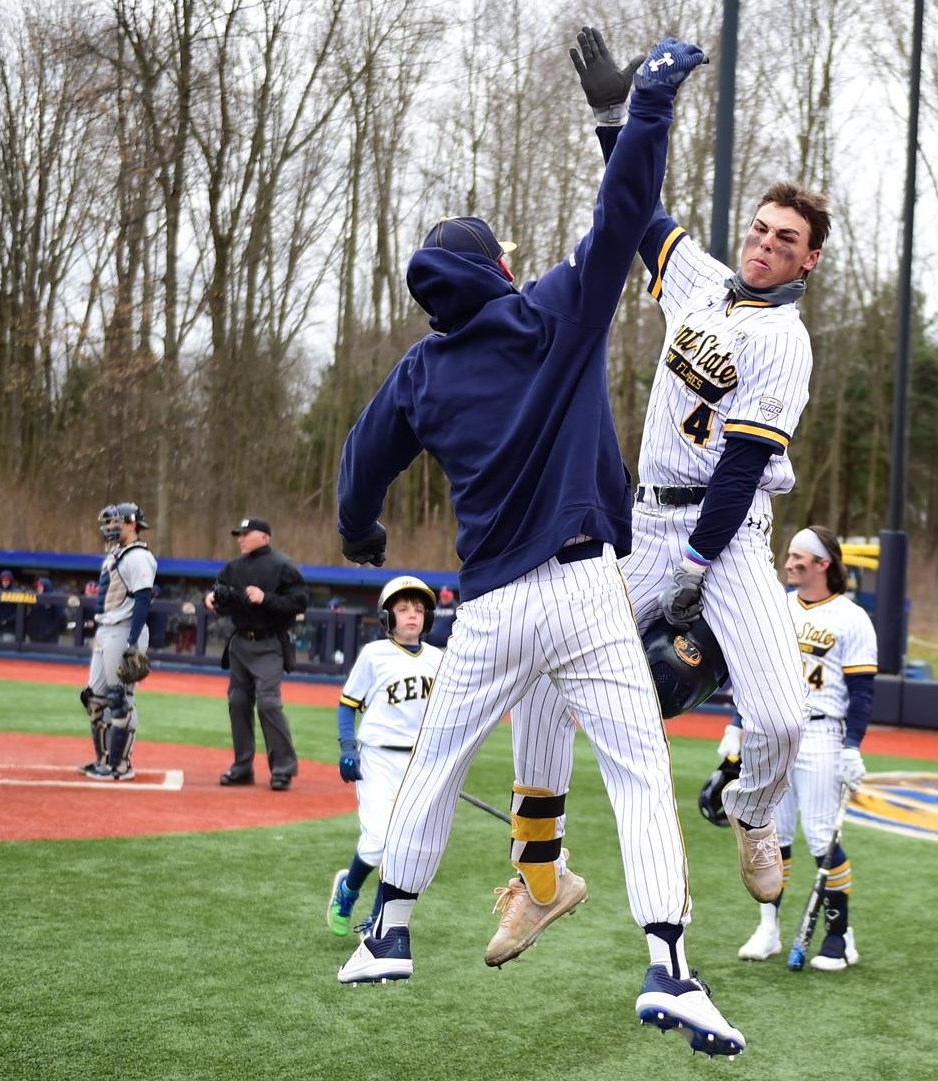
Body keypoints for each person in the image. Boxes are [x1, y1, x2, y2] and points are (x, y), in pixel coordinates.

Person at [332, 35, 742, 1056]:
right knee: (641, 772)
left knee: (433, 764)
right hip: (583, 586)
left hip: (490, 605)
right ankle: (669, 969)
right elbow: (622, 216)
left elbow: (359, 462)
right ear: (499, 269)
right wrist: (643, 108)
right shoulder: (551, 310)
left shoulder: (420, 371)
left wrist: (362, 530)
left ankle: (387, 933)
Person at [512, 26, 833, 914]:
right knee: (543, 662)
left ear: (809, 260)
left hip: (723, 539)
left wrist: (695, 566)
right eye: (762, 229)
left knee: (777, 718)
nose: (766, 243)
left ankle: (750, 811)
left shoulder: (783, 339)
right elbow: (638, 211)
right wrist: (615, 117)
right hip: (648, 522)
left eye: (786, 239)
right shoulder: (701, 282)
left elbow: (739, 470)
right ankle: (541, 867)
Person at [725, 526, 876, 972]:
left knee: (821, 834)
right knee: (774, 835)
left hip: (822, 733)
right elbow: (756, 674)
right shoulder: (777, 608)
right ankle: (768, 927)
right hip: (772, 731)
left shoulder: (852, 618)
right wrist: (737, 726)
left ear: (822, 564)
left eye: (797, 557)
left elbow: (862, 692)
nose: (787, 563)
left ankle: (839, 934)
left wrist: (852, 747)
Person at [325, 576, 443, 938]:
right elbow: (347, 707)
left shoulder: (440, 659)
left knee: (404, 846)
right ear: (387, 616)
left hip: (418, 763)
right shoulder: (374, 655)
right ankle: (348, 889)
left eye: (419, 610)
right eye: (403, 609)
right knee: (377, 841)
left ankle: (377, 918)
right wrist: (347, 748)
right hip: (377, 758)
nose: (412, 616)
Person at [206, 517, 309, 790]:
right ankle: (242, 767)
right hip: (240, 642)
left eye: (245, 534)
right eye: (238, 534)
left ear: (264, 536)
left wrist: (267, 598)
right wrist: (211, 600)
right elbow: (220, 595)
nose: (240, 538)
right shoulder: (233, 567)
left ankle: (283, 769)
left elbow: (300, 602)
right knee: (238, 701)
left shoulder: (283, 565)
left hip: (269, 643)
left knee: (268, 703)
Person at [78, 504, 158, 780]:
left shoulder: (138, 557)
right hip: (107, 629)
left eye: (116, 522)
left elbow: (143, 600)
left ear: (132, 524)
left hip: (124, 630)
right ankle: (103, 758)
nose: (110, 528)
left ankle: (120, 765)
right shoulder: (115, 554)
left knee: (119, 699)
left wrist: (133, 642)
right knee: (94, 698)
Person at [26, 577, 66, 644]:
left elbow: (60, 618)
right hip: (34, 638)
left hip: (49, 639)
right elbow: (31, 617)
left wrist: (49, 632)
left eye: (40, 586)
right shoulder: (35, 600)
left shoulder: (55, 599)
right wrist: (30, 632)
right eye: (37, 586)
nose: (38, 588)